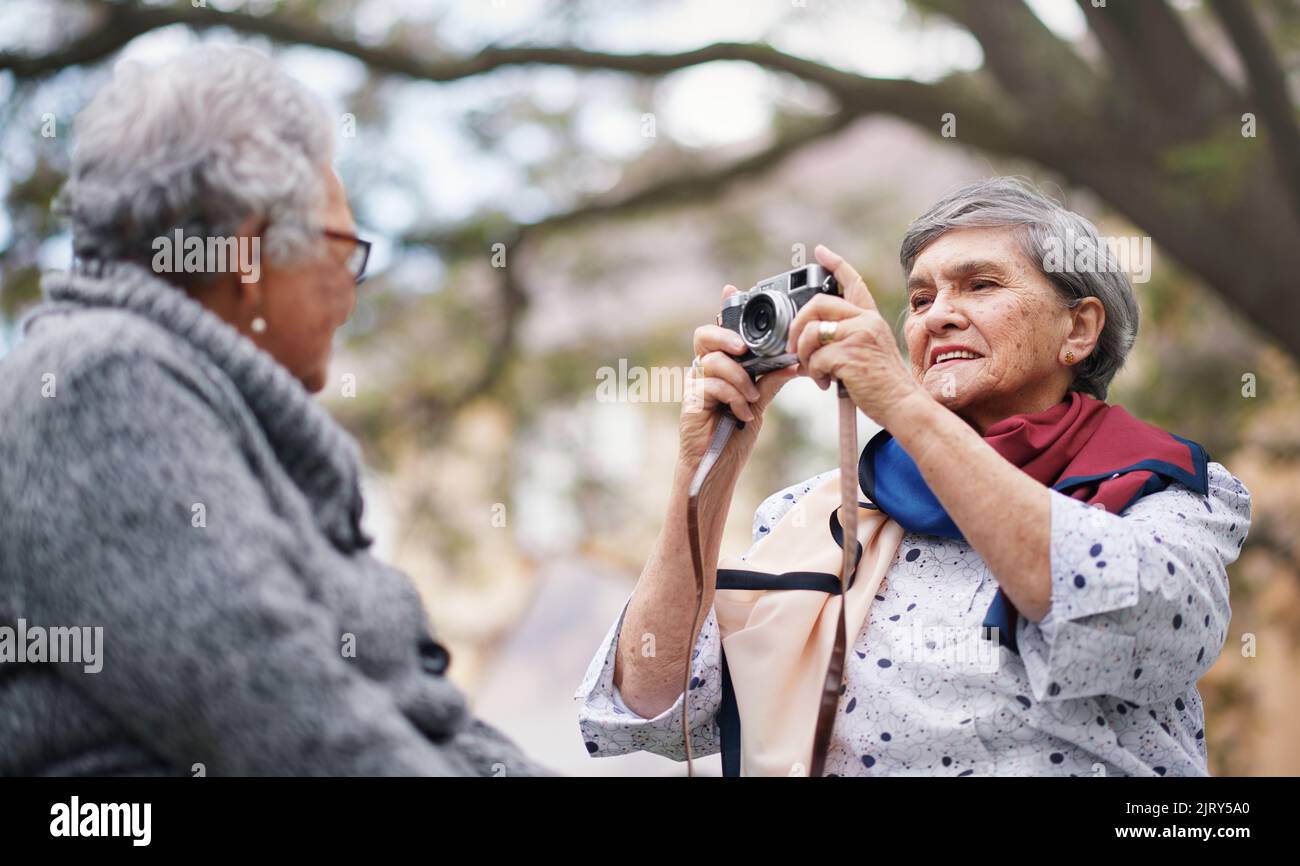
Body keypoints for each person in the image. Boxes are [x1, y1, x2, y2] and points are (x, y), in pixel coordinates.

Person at [575, 177, 1251, 776]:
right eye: (921, 297)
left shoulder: (1168, 489)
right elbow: (650, 705)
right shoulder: (824, 511)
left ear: (1078, 330)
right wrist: (706, 462)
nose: (938, 314)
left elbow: (1144, 636)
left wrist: (899, 401)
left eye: (980, 285)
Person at [0, 45, 551, 777]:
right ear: (250, 255)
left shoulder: (206, 407)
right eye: (340, 252)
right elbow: (283, 714)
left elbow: (419, 722)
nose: (350, 295)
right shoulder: (98, 383)